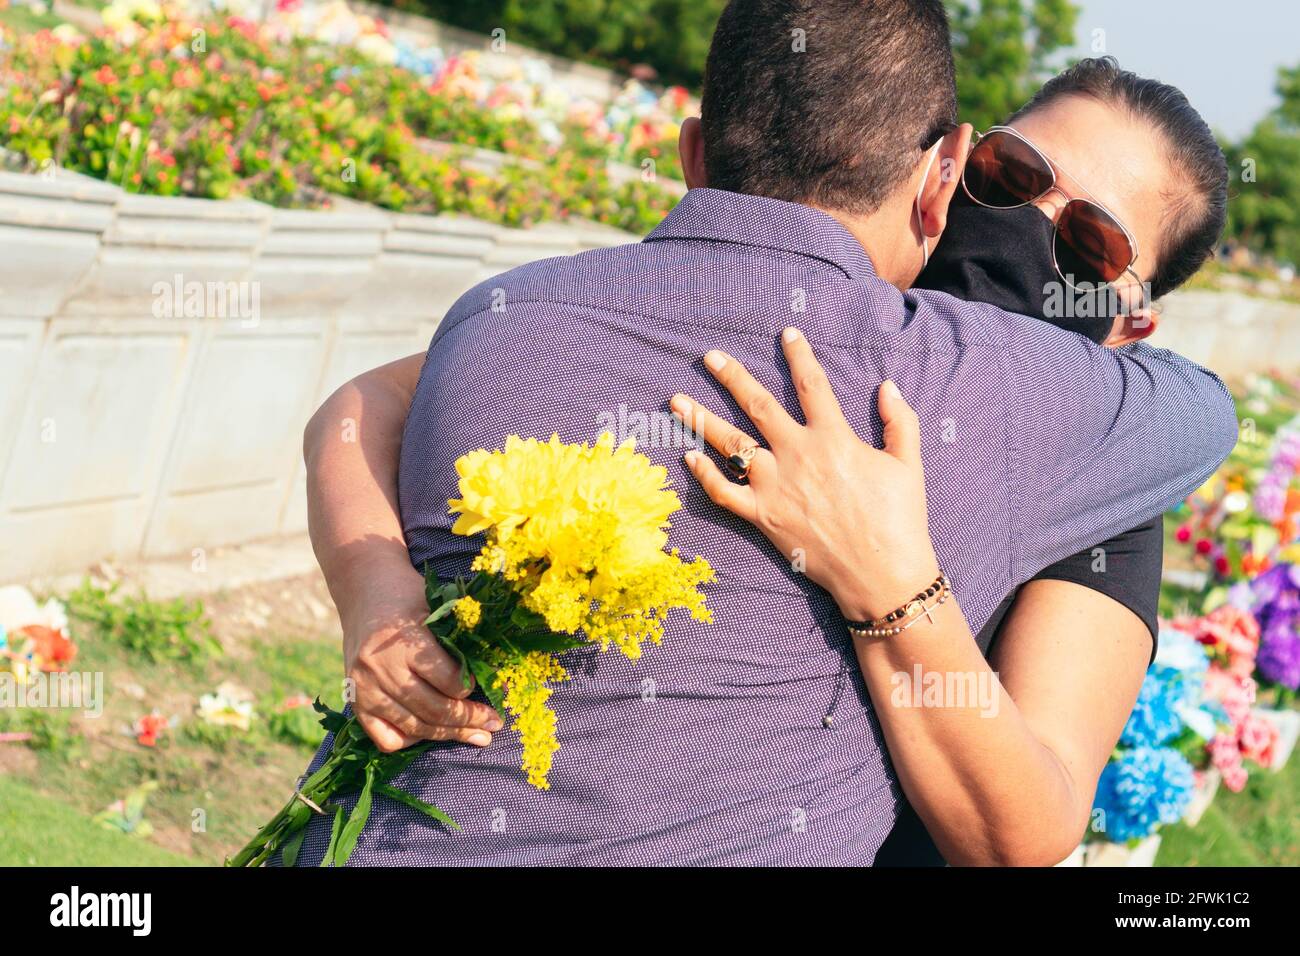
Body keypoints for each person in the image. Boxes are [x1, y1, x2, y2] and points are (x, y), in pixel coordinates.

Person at [292, 2, 1235, 865]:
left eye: (1092, 247)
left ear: (1131, 325)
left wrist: (894, 585)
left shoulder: (1100, 456)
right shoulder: (759, 305)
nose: (1027, 231)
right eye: (1014, 176)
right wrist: (382, 595)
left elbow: (1021, 830)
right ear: (949, 174)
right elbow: (368, 403)